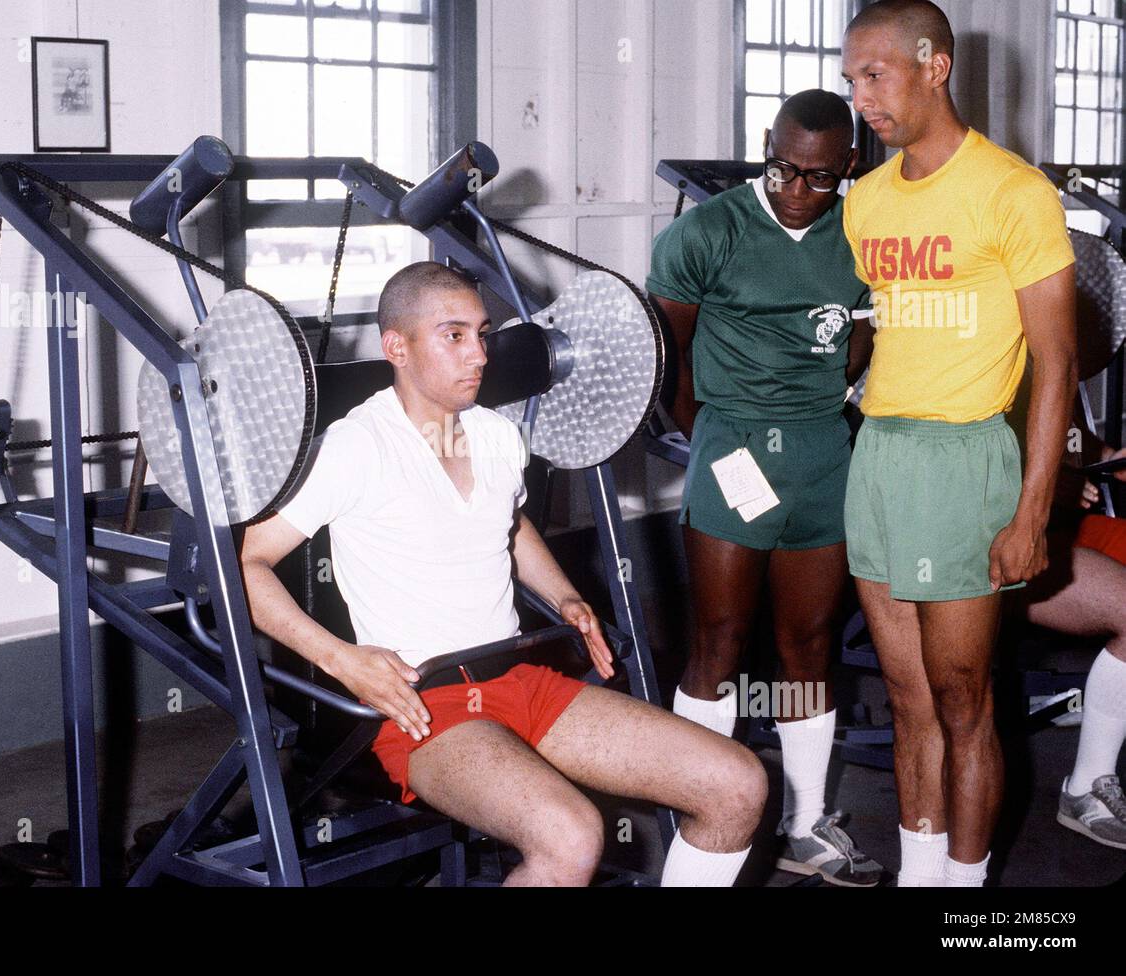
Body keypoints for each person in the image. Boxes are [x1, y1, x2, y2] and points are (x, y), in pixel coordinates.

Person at [239, 261, 767, 886]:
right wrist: (341, 660)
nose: (481, 355)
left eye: (484, 333)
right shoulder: (354, 447)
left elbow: (510, 526)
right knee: (570, 836)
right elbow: (249, 564)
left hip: (518, 675)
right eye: (454, 335)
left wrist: (566, 597)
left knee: (737, 784)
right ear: (397, 347)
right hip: (424, 704)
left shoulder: (495, 434)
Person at [841, 0, 1077, 886]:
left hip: (964, 459)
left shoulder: (1013, 191)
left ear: (935, 65)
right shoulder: (864, 202)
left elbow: (1055, 363)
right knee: (907, 704)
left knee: (964, 702)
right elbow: (883, 332)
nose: (862, 97)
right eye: (851, 79)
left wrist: (1033, 511)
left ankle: (968, 903)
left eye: (877, 74)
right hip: (882, 457)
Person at [646, 89, 882, 886]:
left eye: (819, 177)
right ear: (765, 149)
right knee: (718, 640)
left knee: (809, 646)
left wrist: (823, 401)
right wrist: (710, 440)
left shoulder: (860, 235)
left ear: (849, 166)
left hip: (822, 452)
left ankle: (805, 823)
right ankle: (698, 814)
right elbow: (665, 356)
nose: (795, 189)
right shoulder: (705, 233)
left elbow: (857, 344)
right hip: (731, 445)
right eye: (782, 168)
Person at [1006, 387, 1126, 849]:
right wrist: (1040, 485)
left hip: (1057, 535)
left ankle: (1093, 769)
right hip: (989, 544)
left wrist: (1111, 457)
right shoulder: (978, 348)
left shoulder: (1056, 357)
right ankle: (1086, 787)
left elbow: (1076, 442)